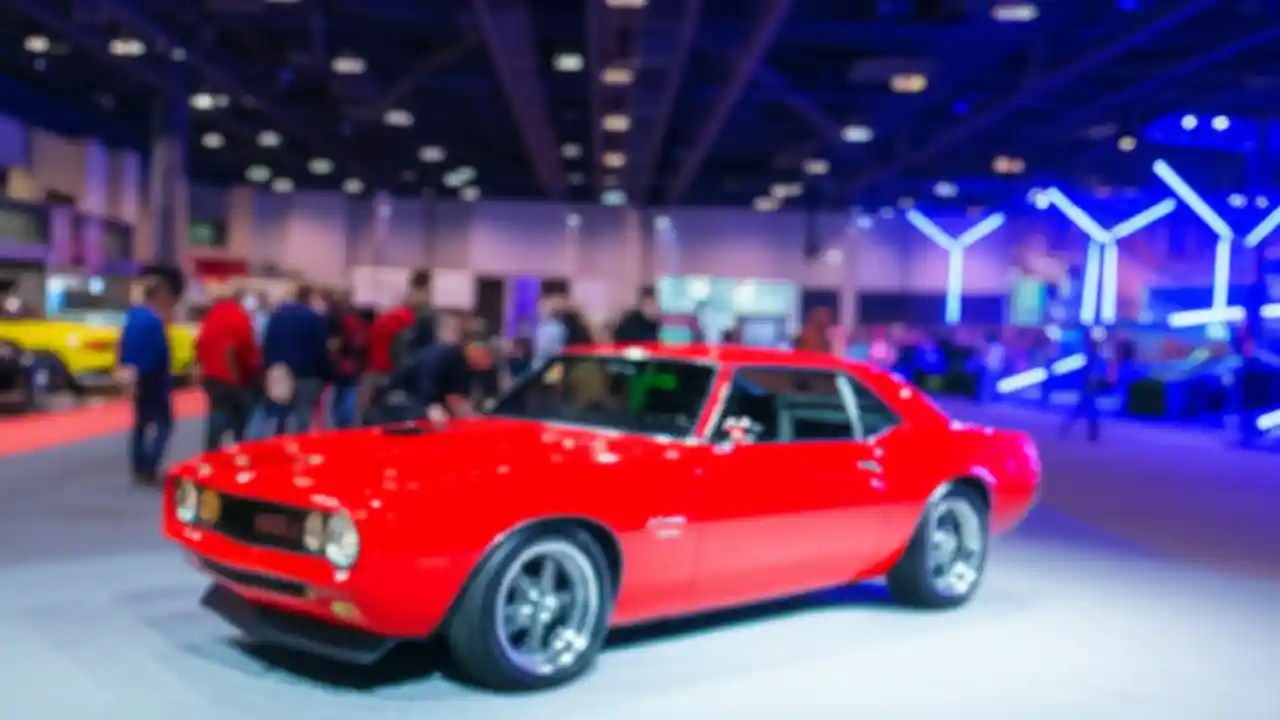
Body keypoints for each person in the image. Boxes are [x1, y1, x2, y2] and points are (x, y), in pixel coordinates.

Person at [118, 265, 184, 486]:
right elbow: (158, 352)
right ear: (160, 295)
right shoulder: (154, 321)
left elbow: (123, 345)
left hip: (136, 376)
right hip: (154, 379)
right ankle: (149, 466)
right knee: (164, 424)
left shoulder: (134, 316)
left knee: (140, 424)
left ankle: (138, 467)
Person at [379, 313, 493, 422]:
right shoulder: (447, 357)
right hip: (404, 397)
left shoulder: (462, 364)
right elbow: (430, 387)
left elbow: (455, 397)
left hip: (421, 398)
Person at [195, 284, 260, 450]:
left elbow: (200, 344)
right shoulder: (239, 317)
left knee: (217, 412)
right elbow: (244, 347)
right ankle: (238, 449)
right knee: (241, 416)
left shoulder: (211, 317)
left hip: (211, 376)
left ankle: (211, 449)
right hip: (233, 376)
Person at [262, 284, 329, 435]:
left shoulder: (278, 316)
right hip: (307, 372)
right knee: (303, 414)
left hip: (280, 370)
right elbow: (321, 346)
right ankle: (300, 447)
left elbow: (268, 342)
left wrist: (268, 366)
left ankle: (278, 443)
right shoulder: (314, 318)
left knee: (280, 412)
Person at [365, 270, 430, 423]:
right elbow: (403, 349)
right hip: (395, 370)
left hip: (377, 367)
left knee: (376, 406)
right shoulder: (409, 320)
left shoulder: (385, 321)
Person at [326, 288, 367, 429]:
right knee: (348, 394)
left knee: (338, 396)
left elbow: (334, 343)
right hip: (354, 363)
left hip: (341, 363)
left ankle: (340, 424)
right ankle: (346, 425)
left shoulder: (336, 319)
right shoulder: (357, 320)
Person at [1062, 330, 1105, 442]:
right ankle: (1091, 433)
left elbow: (1092, 372)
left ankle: (1090, 432)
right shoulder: (1092, 356)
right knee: (1085, 409)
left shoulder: (1092, 357)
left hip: (1089, 386)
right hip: (1089, 386)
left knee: (1084, 409)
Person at [532, 294, 567, 366]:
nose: (542, 310)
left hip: (553, 363)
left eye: (546, 307)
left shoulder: (558, 327)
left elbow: (560, 349)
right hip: (538, 362)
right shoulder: (538, 326)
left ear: (551, 309)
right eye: (540, 307)